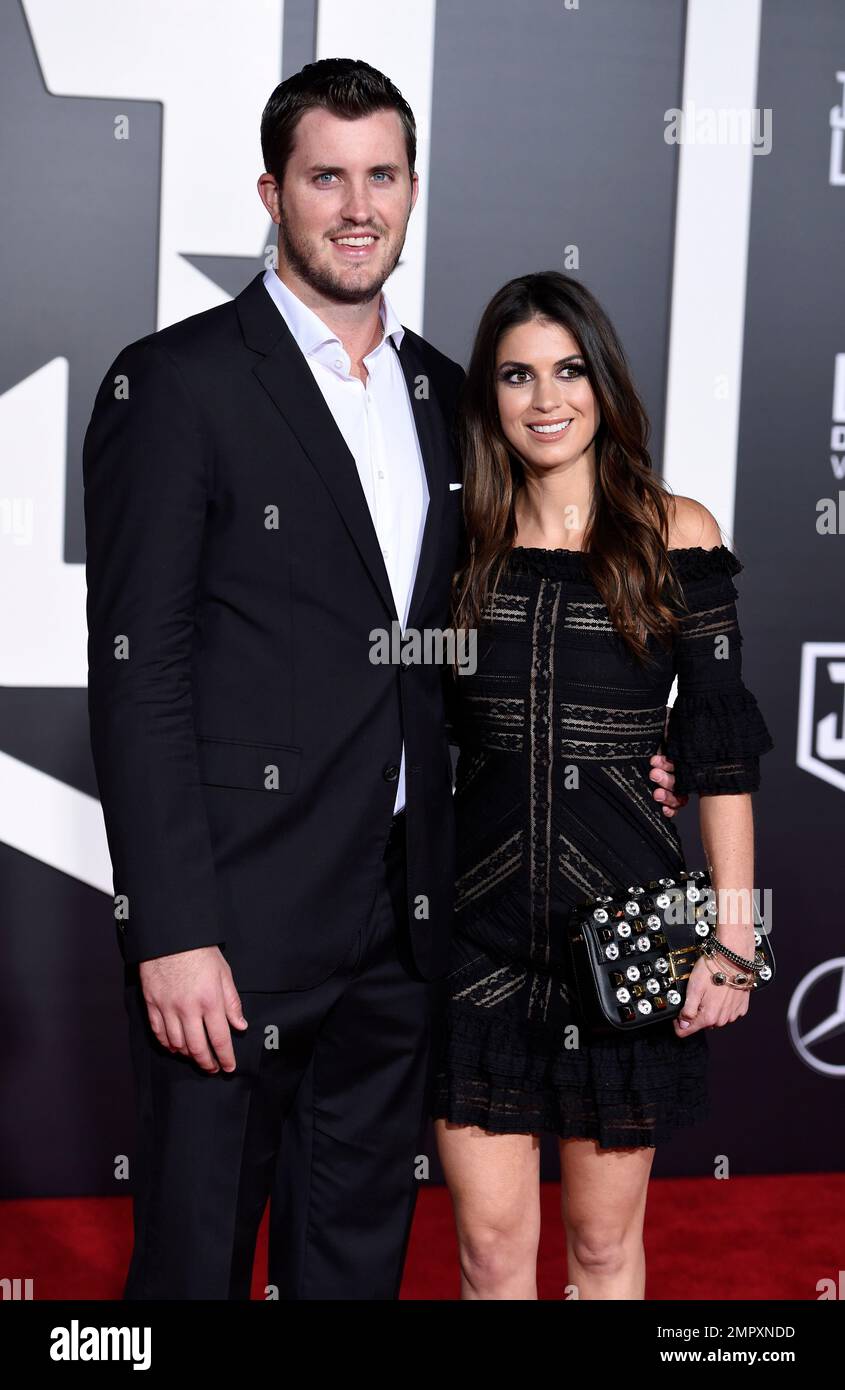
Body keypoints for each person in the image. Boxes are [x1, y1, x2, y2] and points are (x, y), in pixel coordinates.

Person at [83, 61, 683, 1301]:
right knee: (191, 1269)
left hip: (410, 928)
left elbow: (499, 640)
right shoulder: (177, 382)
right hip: (230, 931)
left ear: (411, 192)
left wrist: (625, 755)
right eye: (324, 177)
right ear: (272, 192)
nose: (356, 206)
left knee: (351, 1264)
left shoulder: (448, 401)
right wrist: (173, 927)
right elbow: (139, 673)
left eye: (381, 176)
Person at [431, 271, 775, 1300]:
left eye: (567, 369)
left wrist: (733, 938)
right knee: (488, 1253)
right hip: (477, 942)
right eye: (516, 375)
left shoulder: (675, 531)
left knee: (598, 1252)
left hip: (625, 943)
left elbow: (717, 751)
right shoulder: (456, 549)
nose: (545, 398)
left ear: (603, 381)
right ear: (487, 396)